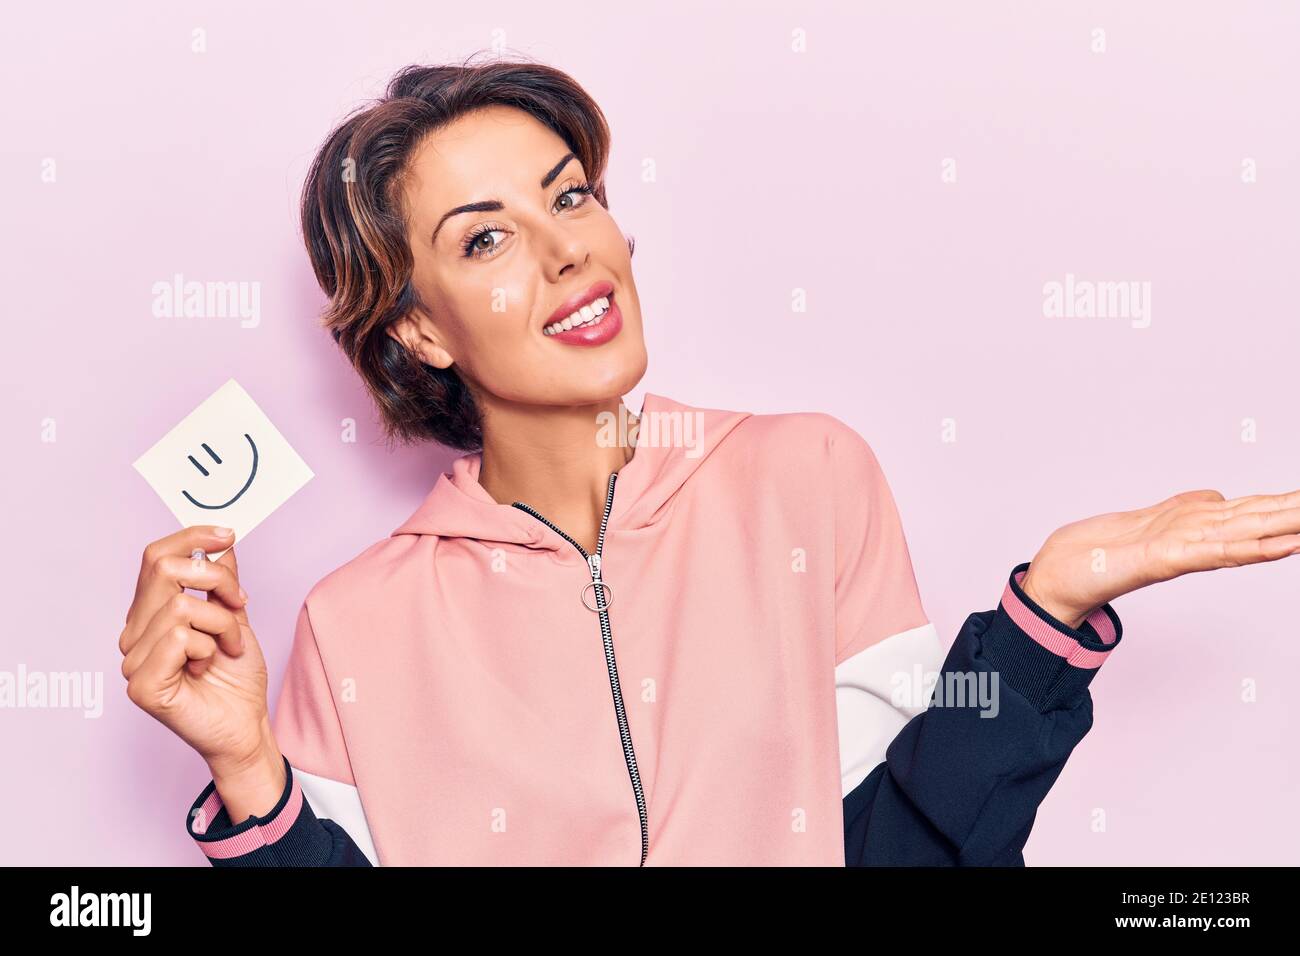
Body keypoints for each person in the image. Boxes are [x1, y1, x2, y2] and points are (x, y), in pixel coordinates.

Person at [119, 55, 1300, 867]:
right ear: (420, 326)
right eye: (485, 238)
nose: (566, 252)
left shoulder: (808, 480)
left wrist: (1044, 615)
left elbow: (902, 850)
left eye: (568, 197)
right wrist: (249, 769)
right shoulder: (354, 620)